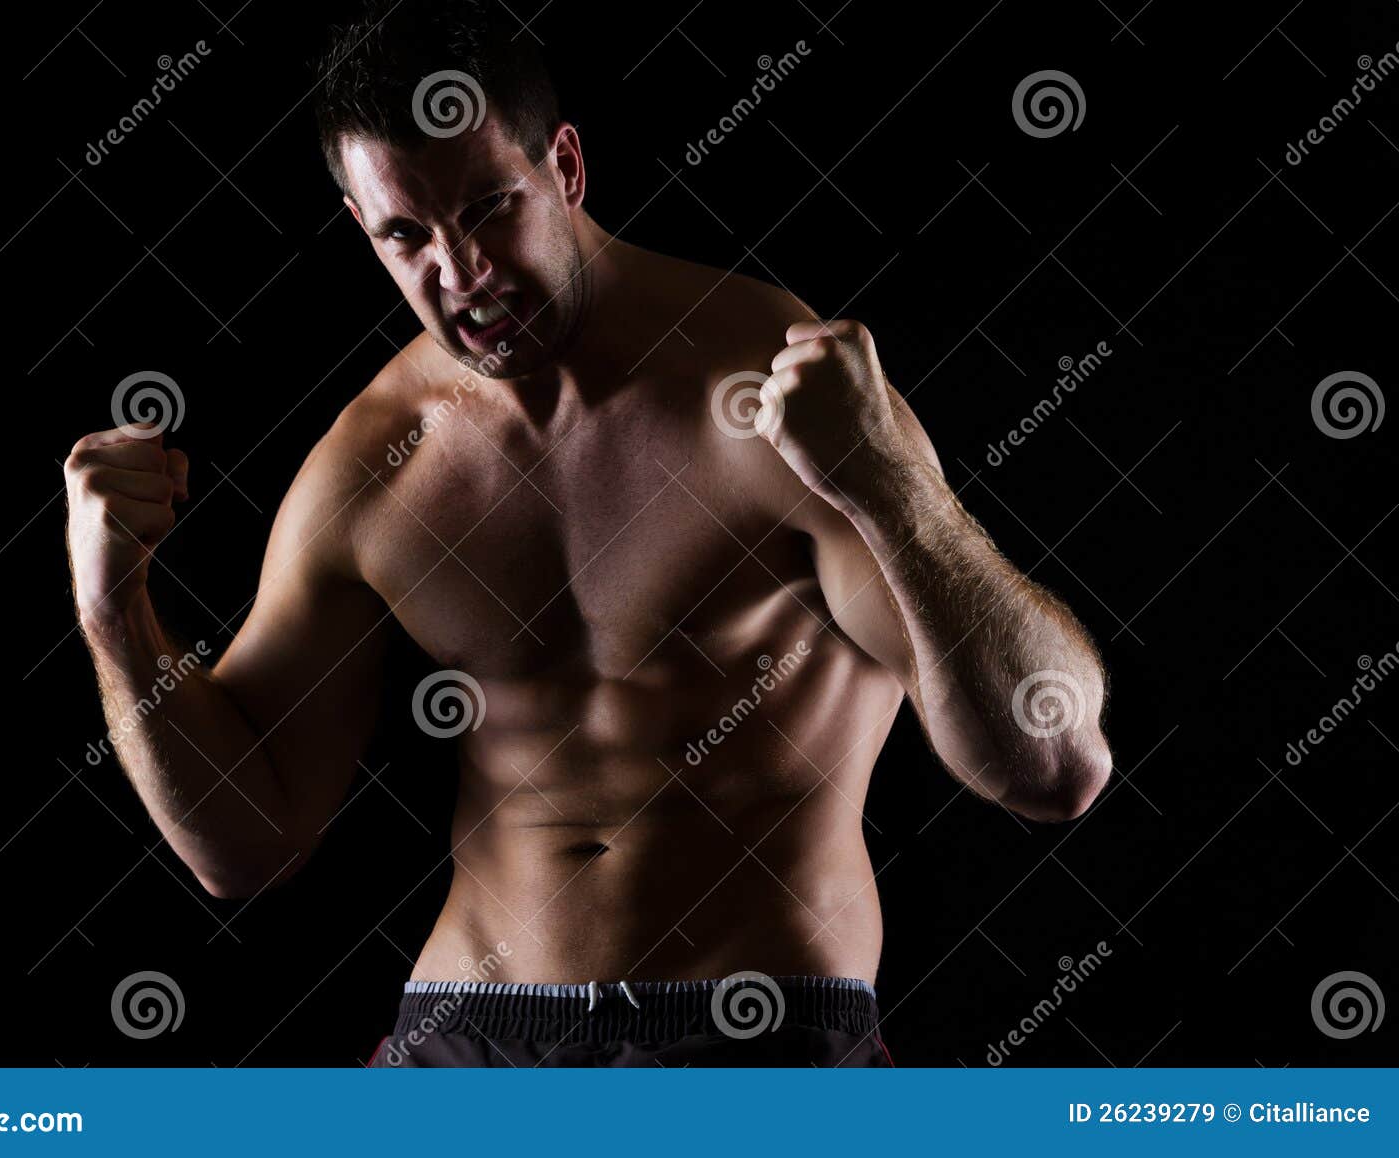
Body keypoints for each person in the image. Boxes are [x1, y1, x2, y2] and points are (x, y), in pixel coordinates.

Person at [63, 0, 1112, 1067]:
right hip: (464, 1044)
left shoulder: (759, 392)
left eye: (489, 208)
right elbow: (244, 844)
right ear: (360, 228)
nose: (460, 274)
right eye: (408, 235)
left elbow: (1052, 770)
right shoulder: (377, 462)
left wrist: (895, 494)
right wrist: (114, 614)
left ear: (564, 166)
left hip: (751, 1038)